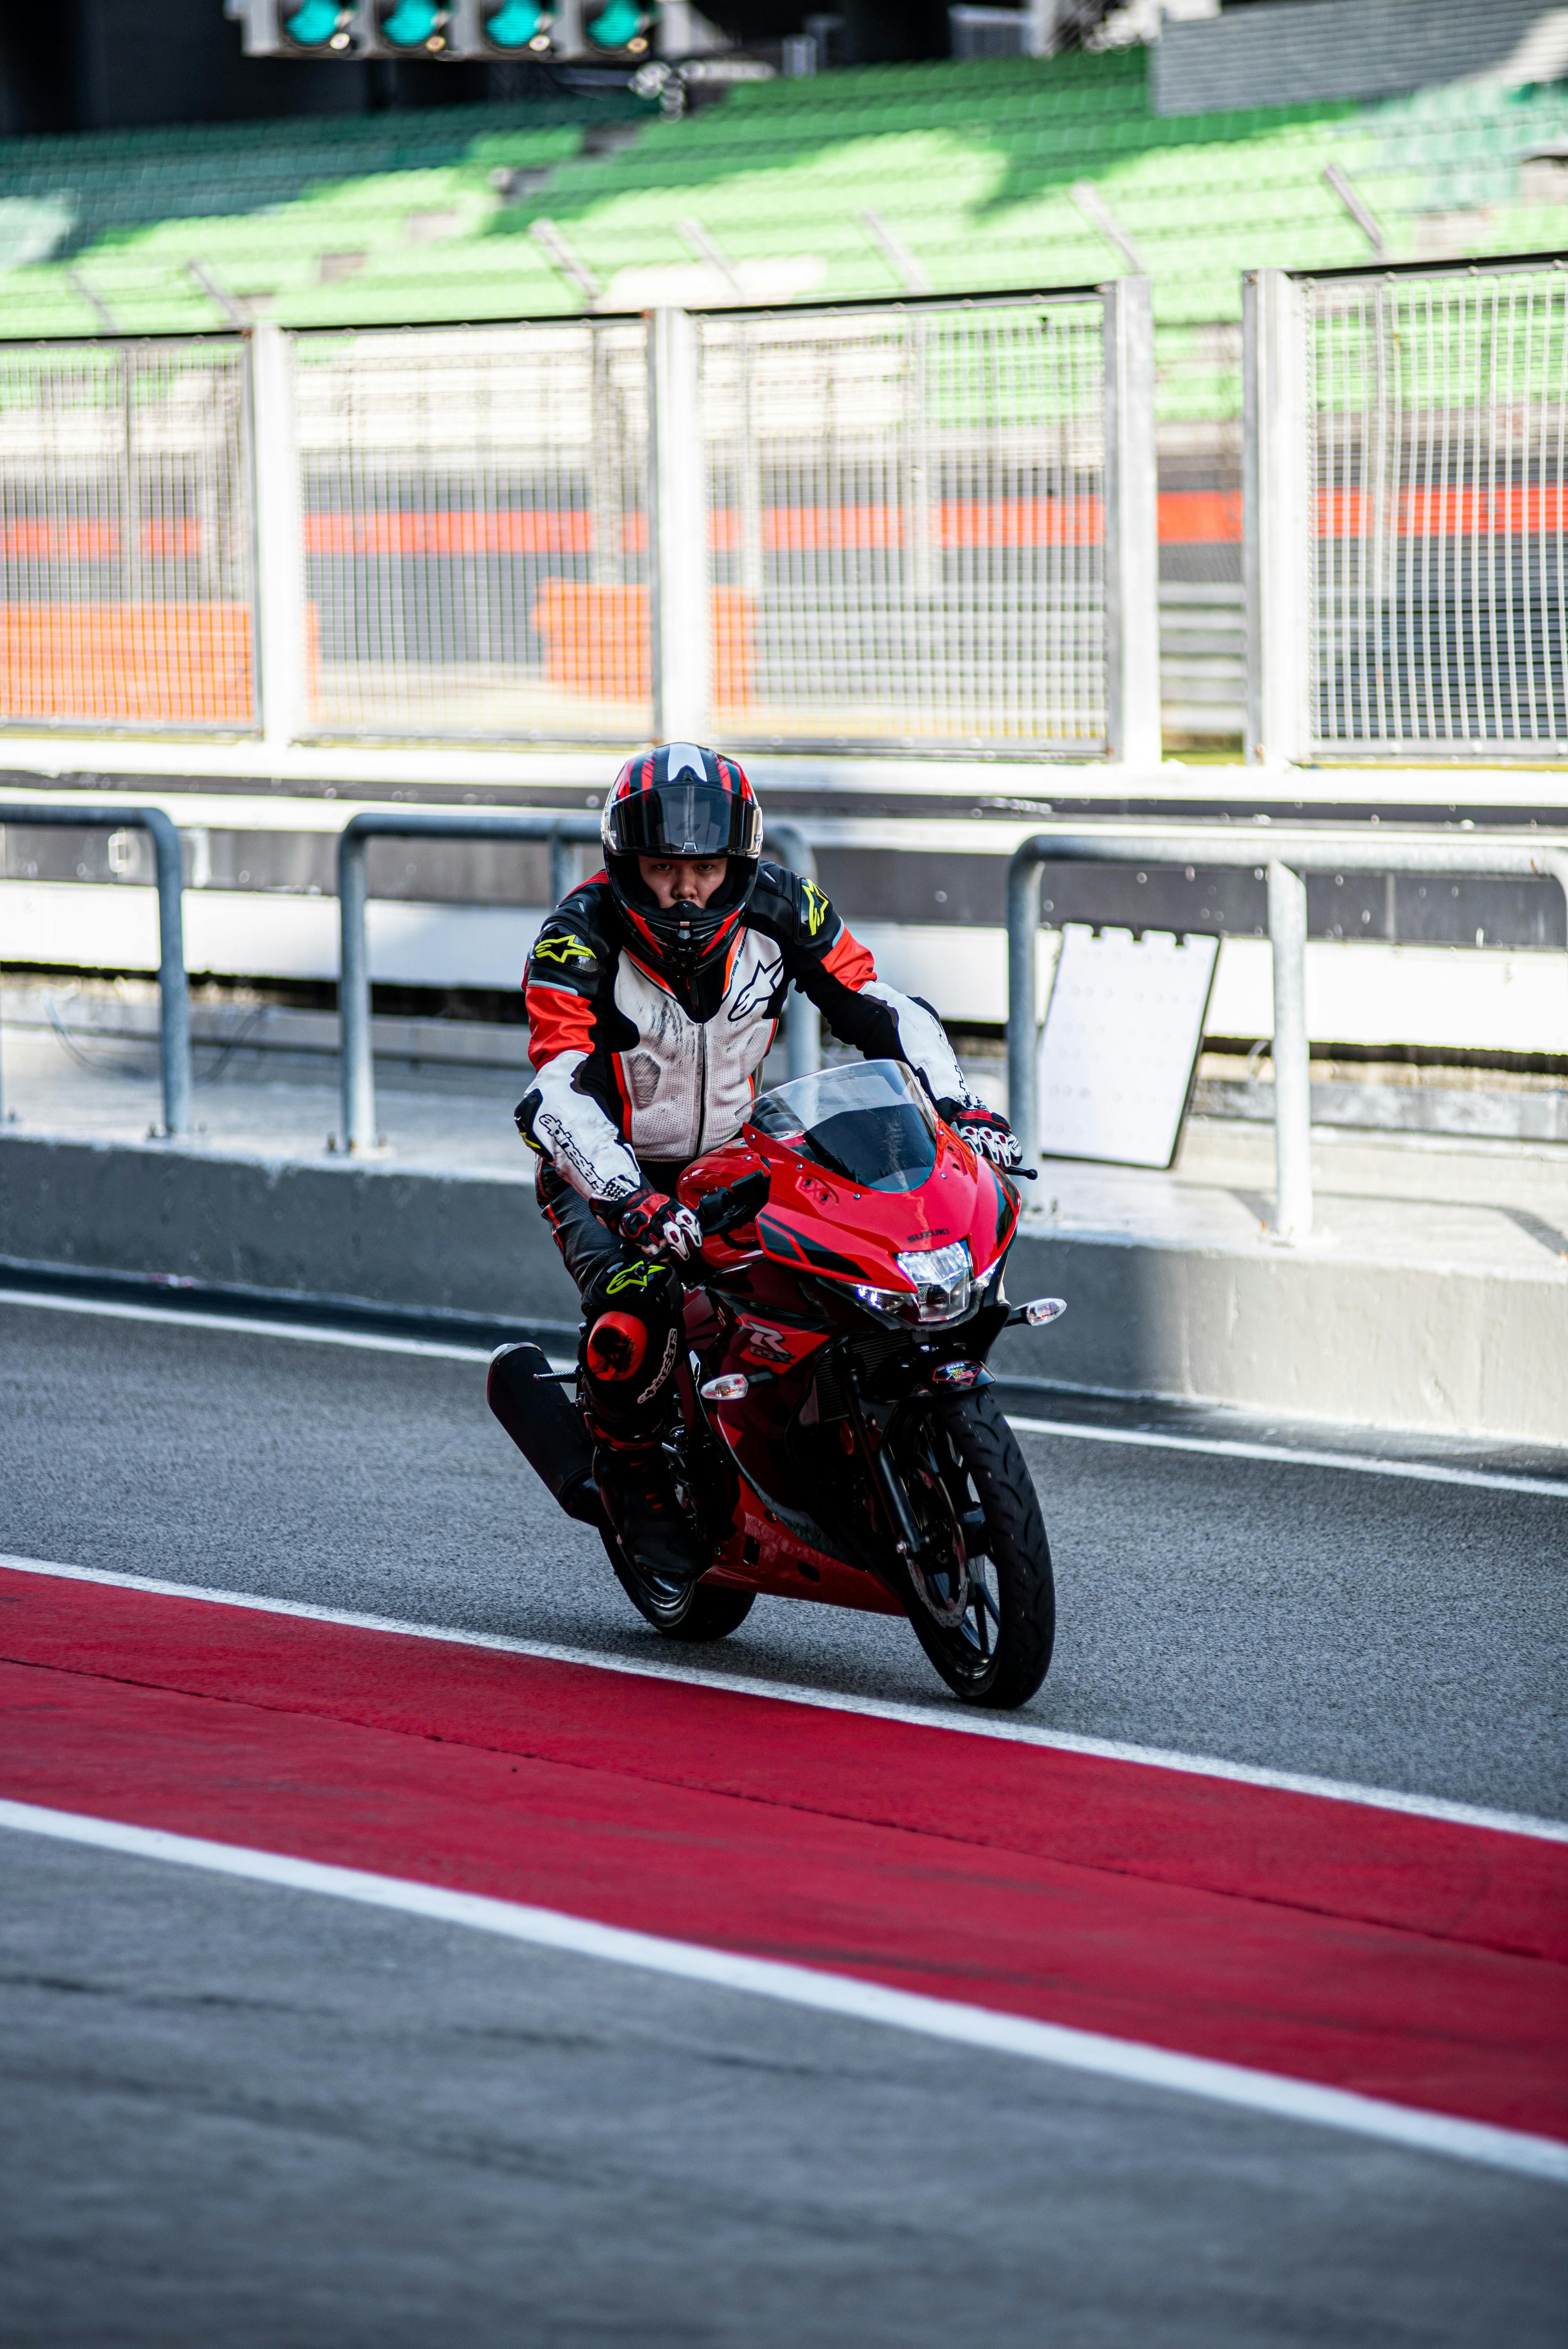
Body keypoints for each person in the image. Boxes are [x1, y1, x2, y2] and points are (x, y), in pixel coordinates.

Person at [515, 742, 1022, 1586]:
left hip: (736, 1152)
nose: (686, 888)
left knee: (853, 1257)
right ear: (623, 862)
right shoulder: (576, 936)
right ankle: (634, 1480)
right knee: (634, 1312)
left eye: (707, 867)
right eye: (662, 867)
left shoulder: (788, 905)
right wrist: (625, 1196)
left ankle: (837, 1432)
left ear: (738, 862)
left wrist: (960, 1106)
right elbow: (558, 1084)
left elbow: (877, 1005)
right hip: (610, 1165)